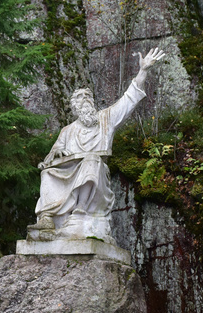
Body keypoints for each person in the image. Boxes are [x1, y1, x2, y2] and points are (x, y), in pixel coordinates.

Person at [32, 47, 165, 233]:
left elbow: (129, 100)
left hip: (97, 172)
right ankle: (47, 218)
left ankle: (80, 210)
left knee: (92, 160)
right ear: (74, 108)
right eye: (79, 98)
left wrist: (143, 70)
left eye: (87, 96)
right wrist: (56, 153)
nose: (85, 99)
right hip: (70, 170)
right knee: (47, 172)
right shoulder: (67, 131)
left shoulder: (106, 118)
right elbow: (52, 155)